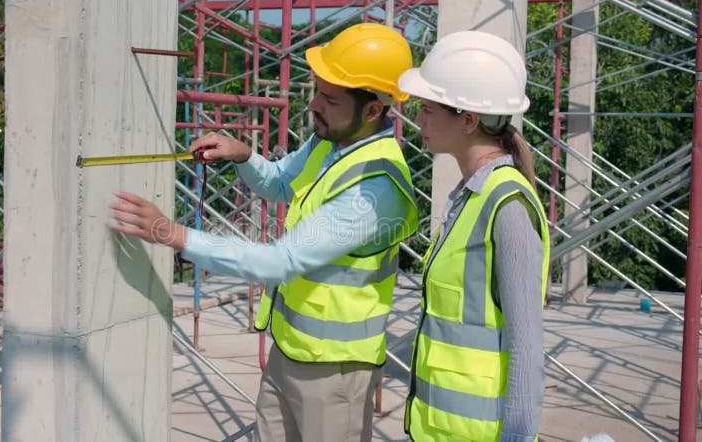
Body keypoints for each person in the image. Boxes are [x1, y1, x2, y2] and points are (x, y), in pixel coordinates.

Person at [109, 22, 418, 442]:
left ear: (372, 109)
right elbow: (278, 182)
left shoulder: (375, 190)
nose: (315, 106)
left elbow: (280, 262)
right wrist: (243, 155)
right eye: (317, 92)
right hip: (290, 352)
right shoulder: (331, 143)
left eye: (330, 98)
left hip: (336, 372)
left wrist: (174, 234)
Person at [396, 31, 550, 442]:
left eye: (428, 109)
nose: (420, 120)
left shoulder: (507, 207)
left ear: (468, 120)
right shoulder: (471, 197)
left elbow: (527, 348)